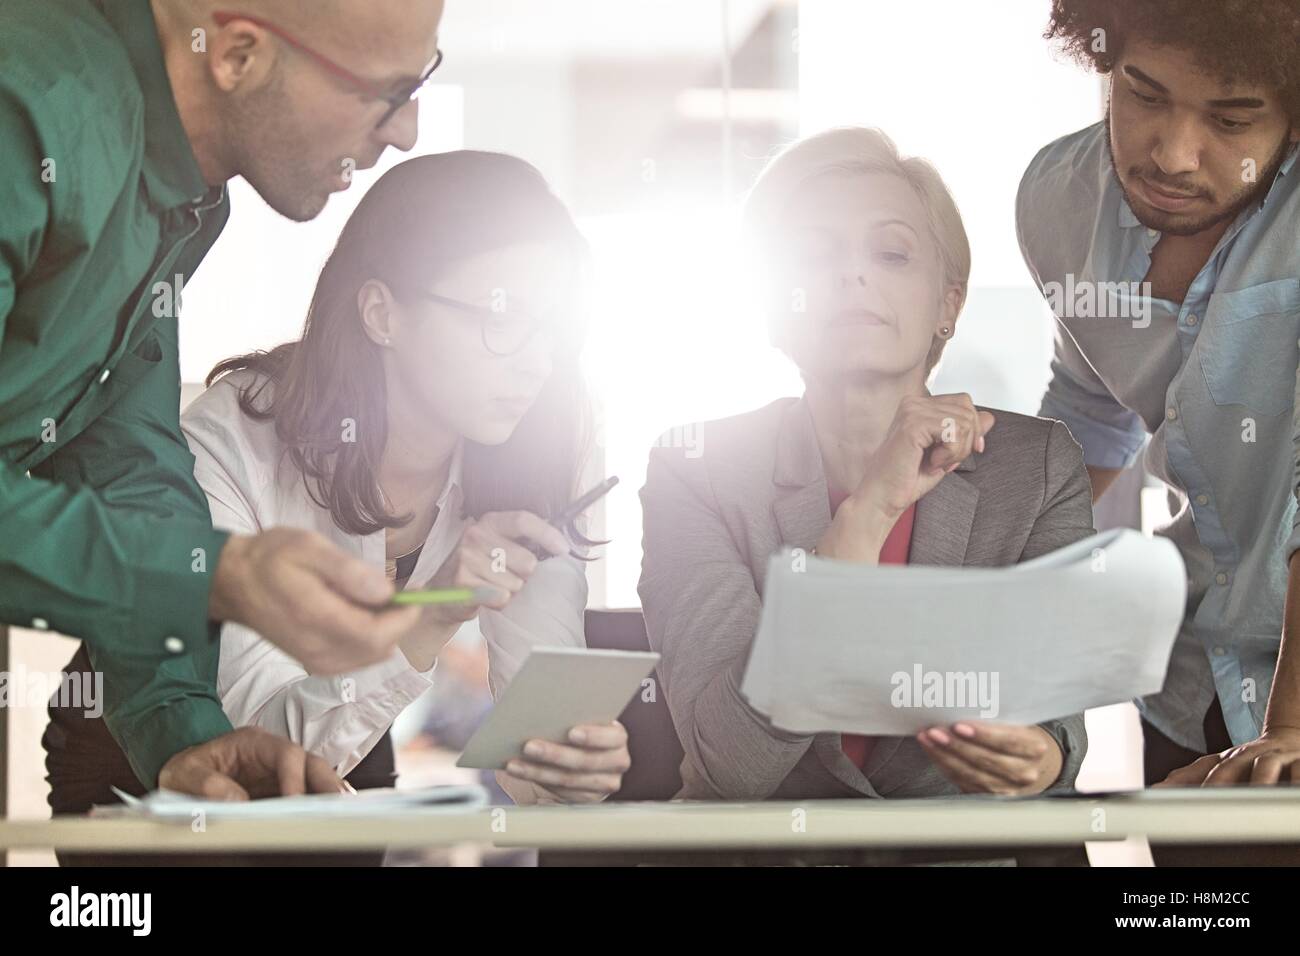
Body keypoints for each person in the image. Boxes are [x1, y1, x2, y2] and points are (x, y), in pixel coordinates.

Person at [46, 153, 631, 827]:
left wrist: (570, 762)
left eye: (553, 325)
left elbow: (537, 756)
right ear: (383, 313)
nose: (538, 359)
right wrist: (433, 611)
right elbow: (252, 755)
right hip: (139, 748)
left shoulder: (542, 439)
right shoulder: (234, 440)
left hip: (349, 736)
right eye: (503, 317)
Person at [3, 0, 452, 798]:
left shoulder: (181, 197)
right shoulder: (28, 111)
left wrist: (185, 729)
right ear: (237, 54)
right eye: (385, 92)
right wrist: (219, 575)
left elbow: (125, 459)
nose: (406, 130)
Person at [638, 128, 1094, 817]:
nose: (852, 275)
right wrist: (869, 511)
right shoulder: (695, 469)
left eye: (891, 252)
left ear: (948, 303)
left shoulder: (1035, 466)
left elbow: (1056, 720)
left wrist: (1043, 754)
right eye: (814, 254)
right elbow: (730, 763)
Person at [1021, 0, 1300, 787]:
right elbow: (1088, 406)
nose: (1175, 155)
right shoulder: (1058, 203)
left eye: (1232, 118)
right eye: (1144, 96)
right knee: (1181, 915)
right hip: (1192, 680)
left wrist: (1288, 726)